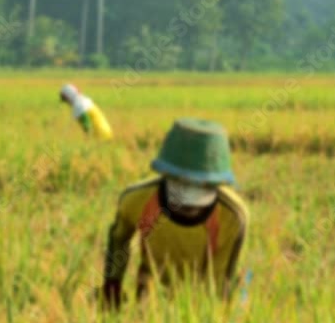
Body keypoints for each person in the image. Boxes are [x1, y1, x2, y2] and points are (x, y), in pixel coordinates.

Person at [100, 118, 248, 309]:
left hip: (201, 296)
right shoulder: (137, 200)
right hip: (151, 292)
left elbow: (222, 281)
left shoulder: (232, 216)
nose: (189, 208)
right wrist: (112, 285)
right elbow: (119, 239)